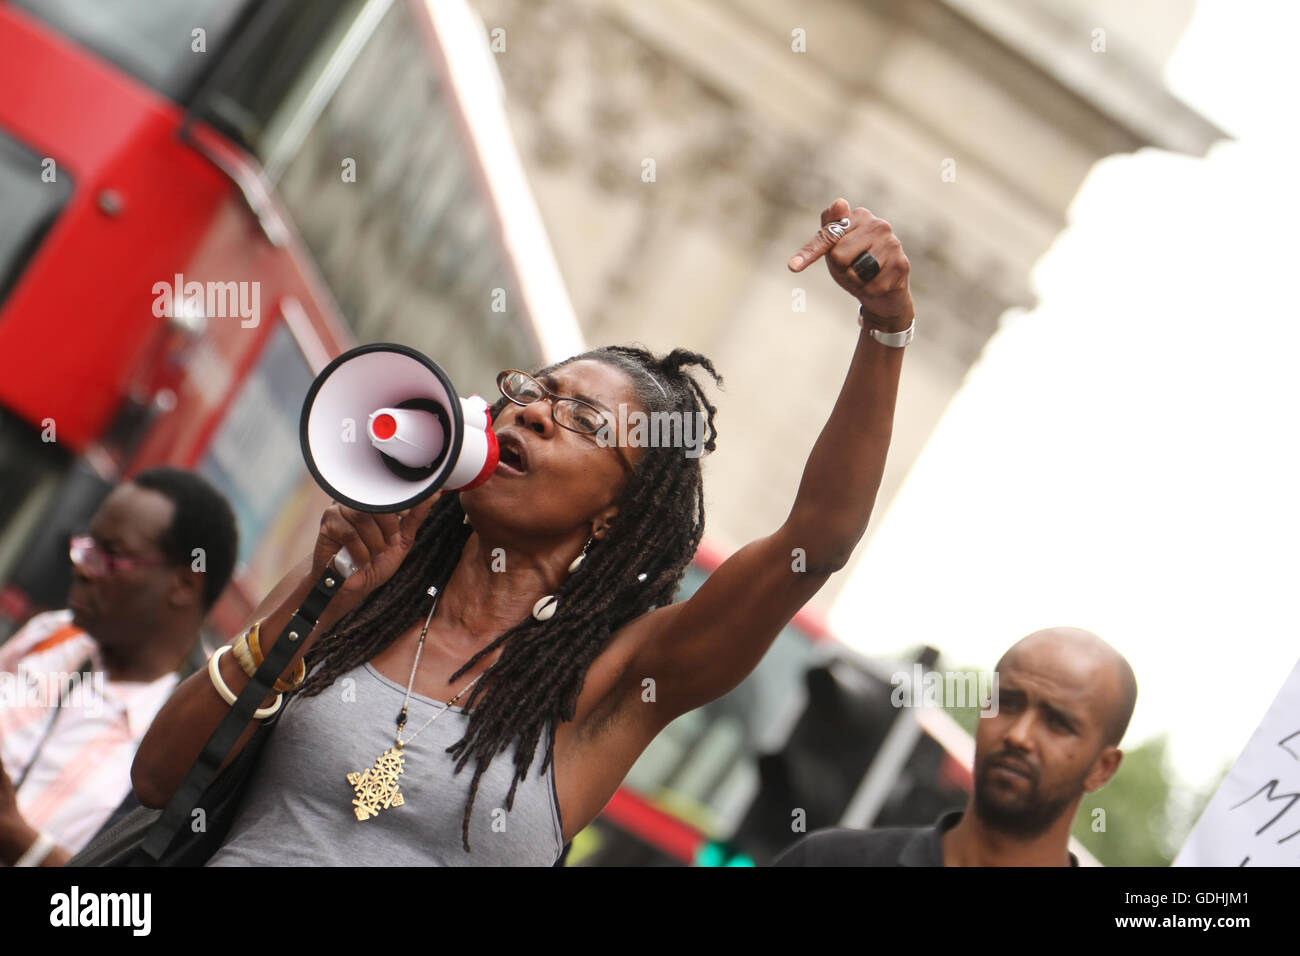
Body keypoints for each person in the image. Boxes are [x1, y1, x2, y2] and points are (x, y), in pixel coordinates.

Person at [131, 198, 915, 866]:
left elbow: (819, 541)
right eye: (532, 390)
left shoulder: (619, 679)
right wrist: (317, 600)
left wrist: (885, 328)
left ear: (617, 511)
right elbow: (161, 778)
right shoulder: (358, 590)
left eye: (579, 420)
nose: (534, 411)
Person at [0, 467, 238, 866]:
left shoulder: (180, 746)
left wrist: (20, 843)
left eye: (111, 555)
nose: (82, 565)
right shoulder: (51, 634)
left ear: (183, 585)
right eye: (87, 544)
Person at [773, 627, 1138, 867]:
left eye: (1058, 723)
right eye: (1007, 703)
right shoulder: (831, 861)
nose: (1019, 735)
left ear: (1102, 768)